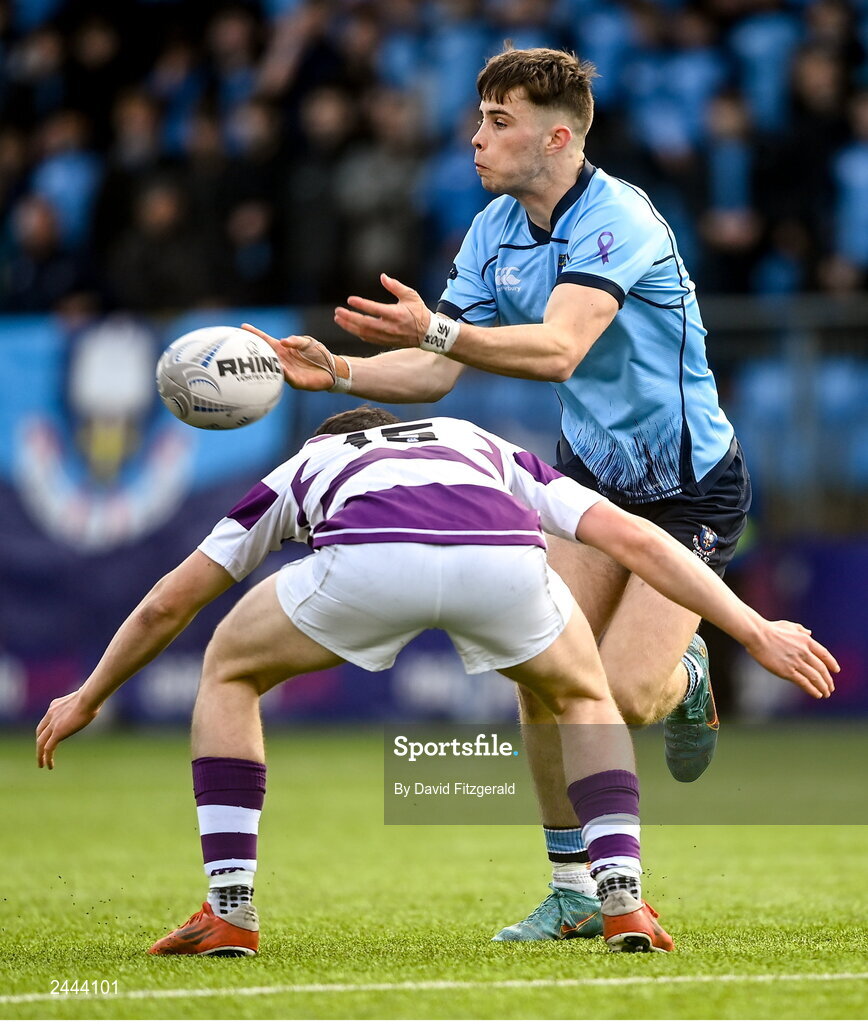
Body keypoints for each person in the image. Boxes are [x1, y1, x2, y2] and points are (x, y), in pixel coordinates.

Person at [242, 45, 758, 941]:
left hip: (689, 489)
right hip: (590, 477)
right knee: (538, 667)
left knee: (624, 696)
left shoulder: (621, 218)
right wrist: (339, 372)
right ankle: (573, 888)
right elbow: (435, 373)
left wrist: (437, 332)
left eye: (498, 121)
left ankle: (686, 677)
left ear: (557, 138)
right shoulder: (492, 230)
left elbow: (558, 350)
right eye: (480, 119)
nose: (476, 138)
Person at [35, 408, 837, 958]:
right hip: (503, 561)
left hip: (369, 563)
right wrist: (752, 629)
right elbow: (633, 538)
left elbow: (170, 602)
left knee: (229, 669)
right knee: (584, 694)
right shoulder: (472, 438)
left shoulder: (306, 464)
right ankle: (621, 896)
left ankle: (230, 909)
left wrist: (90, 694)